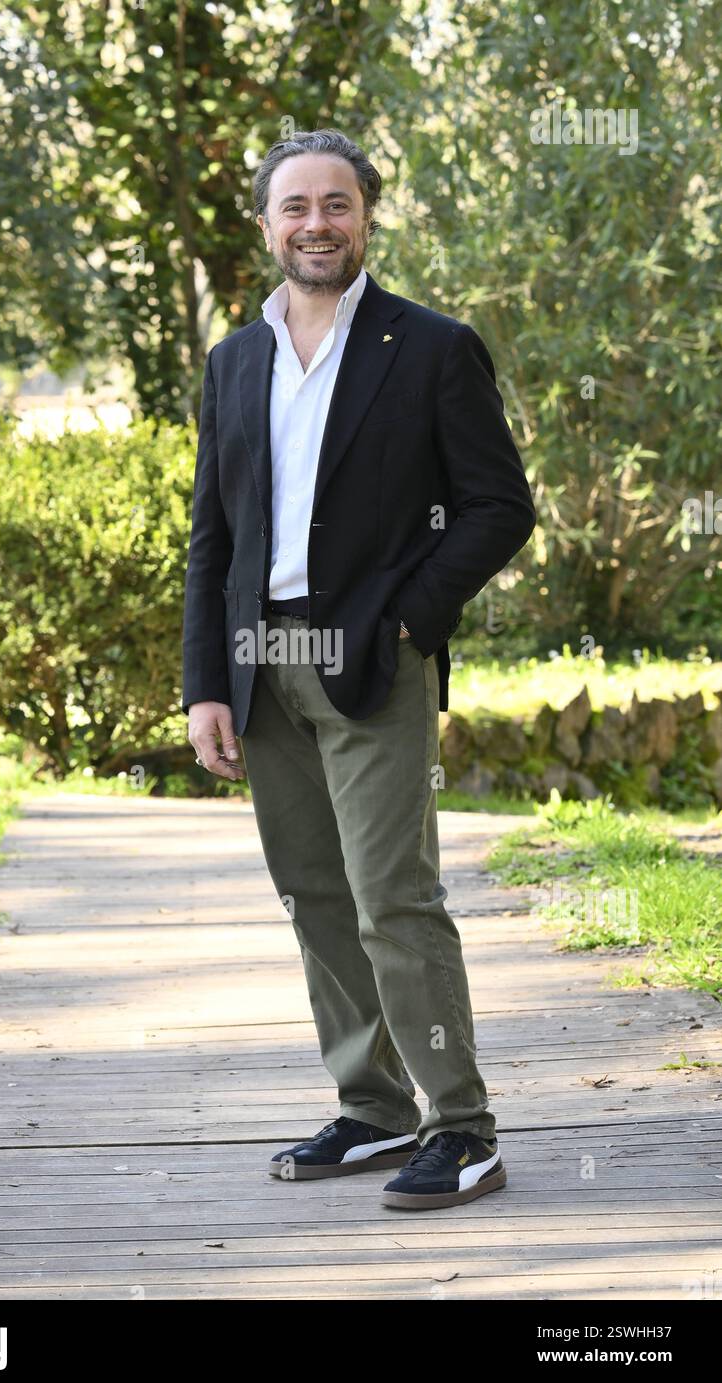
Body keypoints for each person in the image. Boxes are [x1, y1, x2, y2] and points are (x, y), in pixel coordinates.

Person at [182, 128, 535, 1210]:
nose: (316, 224)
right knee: (314, 896)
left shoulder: (428, 347)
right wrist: (205, 679)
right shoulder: (234, 360)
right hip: (260, 666)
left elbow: (497, 507)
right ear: (265, 225)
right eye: (294, 207)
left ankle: (459, 1125)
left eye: (336, 204)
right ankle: (372, 1108)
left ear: (365, 216)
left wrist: (407, 623)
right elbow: (210, 534)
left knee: (393, 899)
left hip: (371, 664)